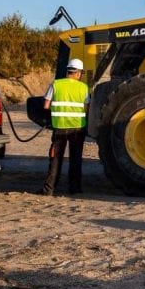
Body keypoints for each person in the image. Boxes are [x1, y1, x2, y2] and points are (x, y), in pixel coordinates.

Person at [40, 58, 89, 195]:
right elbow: (86, 109)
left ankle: (49, 189)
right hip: (77, 129)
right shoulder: (83, 88)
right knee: (75, 159)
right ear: (78, 73)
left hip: (59, 127)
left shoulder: (56, 84)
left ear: (68, 71)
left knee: (56, 159)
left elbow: (46, 105)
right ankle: (74, 189)